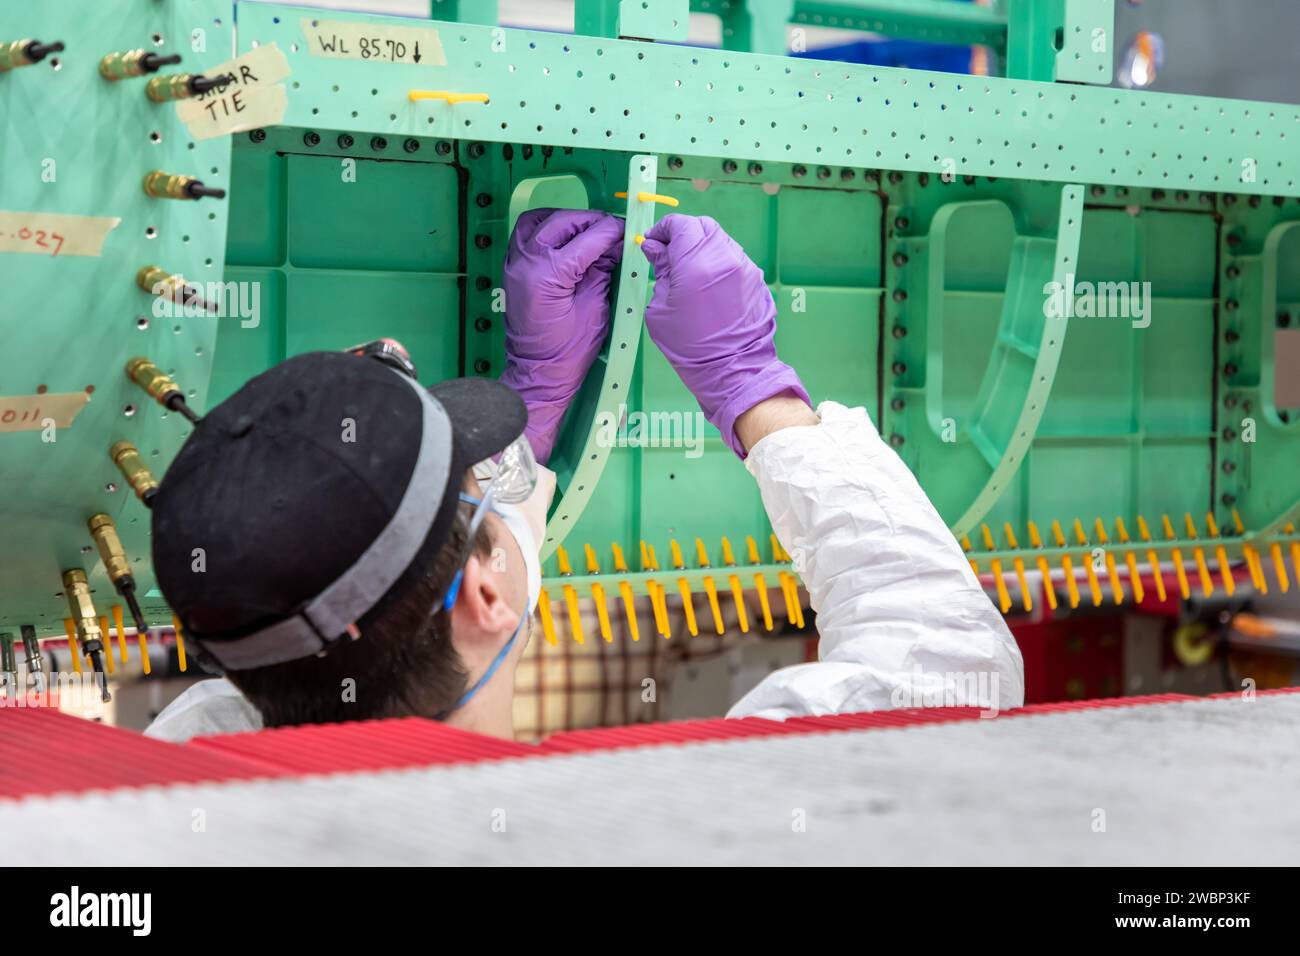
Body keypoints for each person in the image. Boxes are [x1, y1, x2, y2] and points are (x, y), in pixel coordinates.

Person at [145, 209, 1021, 743]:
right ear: (484, 595)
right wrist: (758, 389)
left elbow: (344, 614)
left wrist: (533, 405)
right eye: (470, 496)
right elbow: (948, 672)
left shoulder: (169, 785)